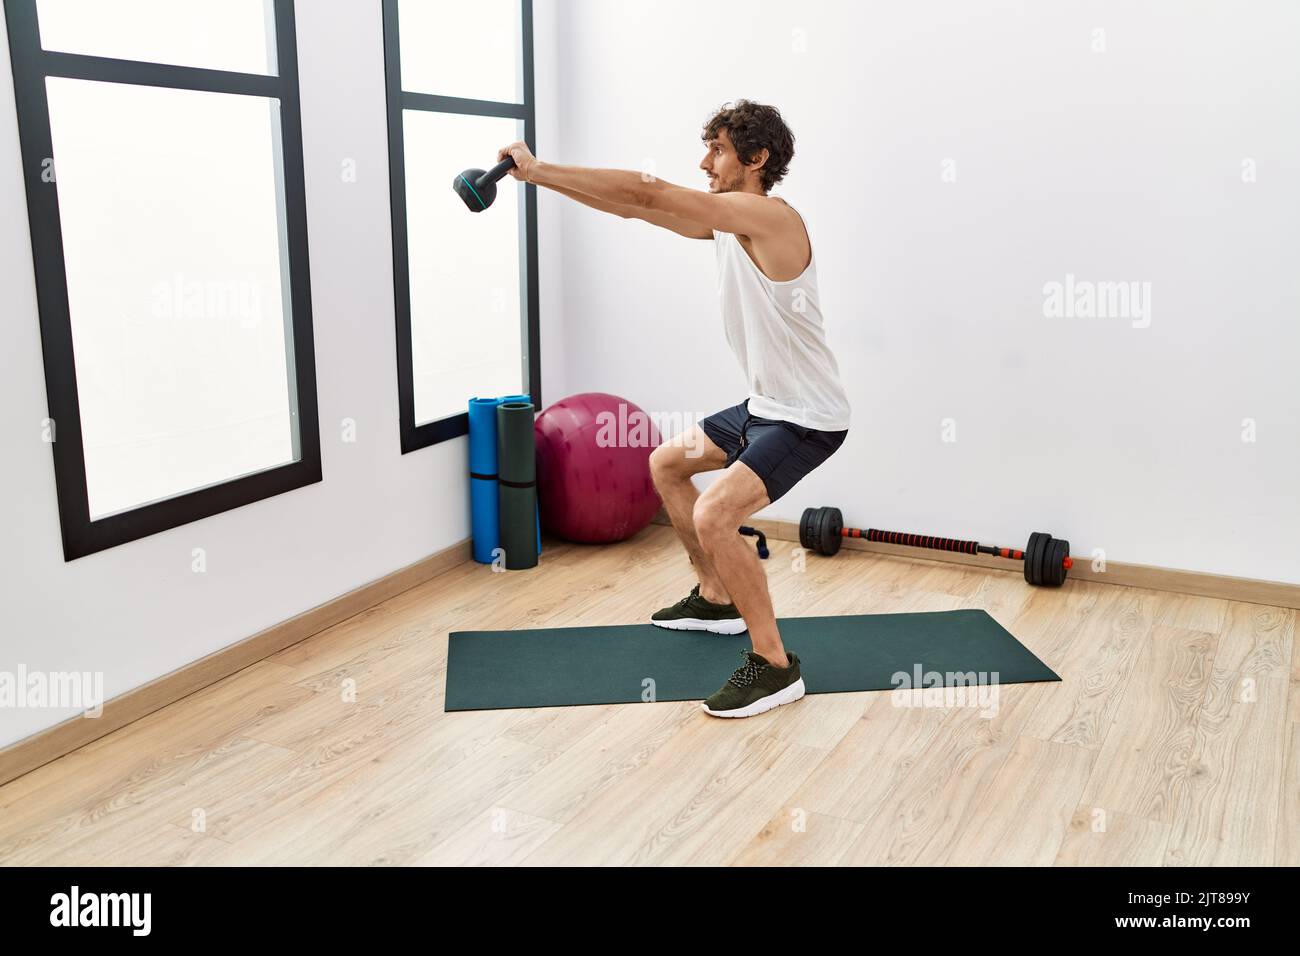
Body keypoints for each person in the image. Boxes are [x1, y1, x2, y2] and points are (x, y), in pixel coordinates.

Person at [498, 100, 851, 718]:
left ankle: (774, 664)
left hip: (807, 417)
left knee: (717, 513)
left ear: (756, 159)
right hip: (763, 406)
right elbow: (636, 205)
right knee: (666, 464)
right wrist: (543, 182)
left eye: (716, 149)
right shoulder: (727, 223)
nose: (704, 162)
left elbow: (649, 187)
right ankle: (715, 596)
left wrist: (537, 167)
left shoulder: (769, 218)